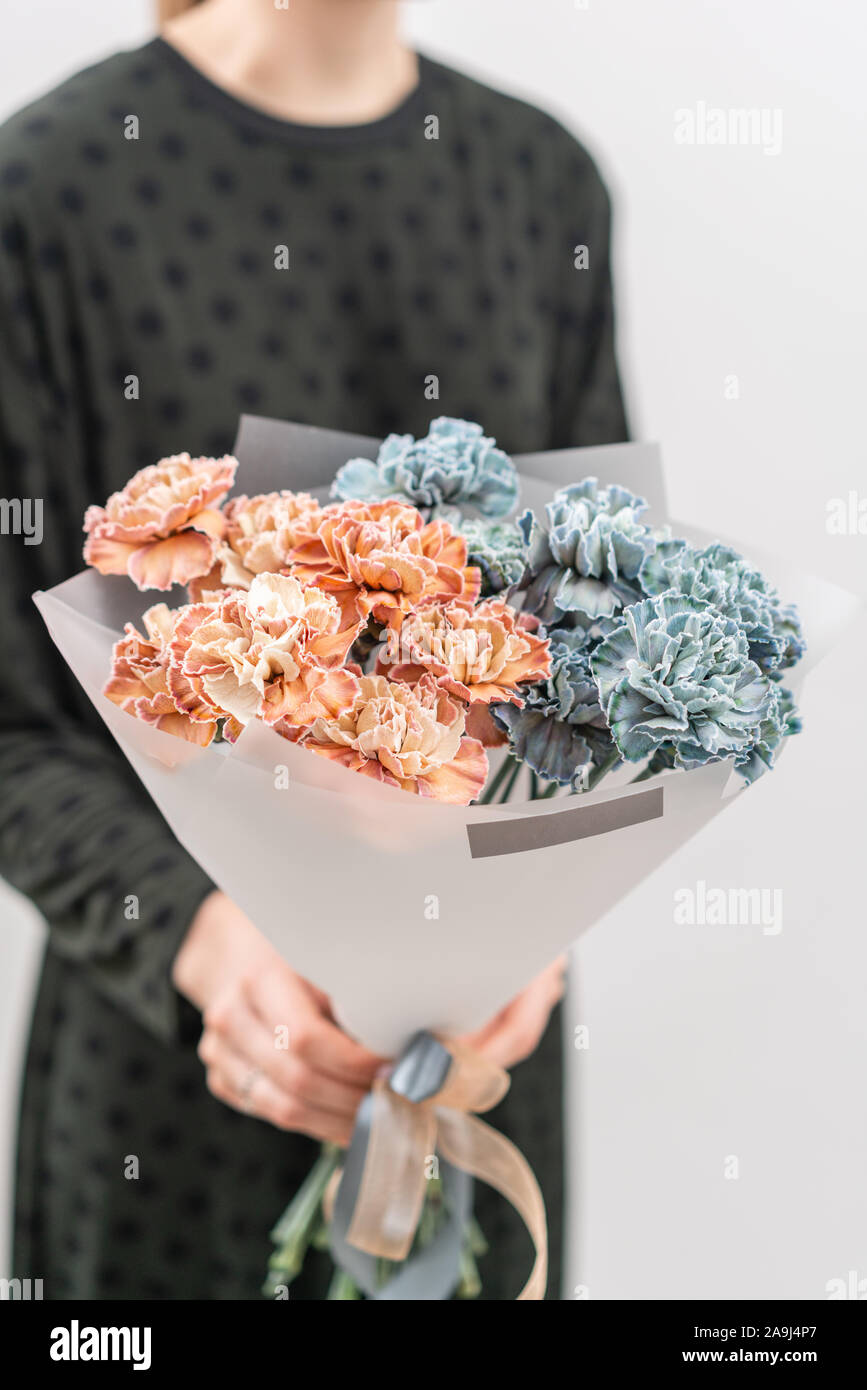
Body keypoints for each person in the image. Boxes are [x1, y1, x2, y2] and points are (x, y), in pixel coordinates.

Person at [0, 0, 628, 1299]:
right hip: (168, 1078)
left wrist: (527, 936)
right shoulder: (43, 193)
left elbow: (603, 639)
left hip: (475, 1063)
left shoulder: (540, 179)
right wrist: (198, 942)